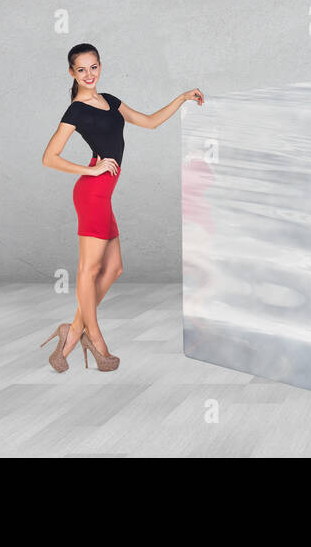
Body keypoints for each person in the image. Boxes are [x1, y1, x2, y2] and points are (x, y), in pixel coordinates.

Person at [40, 42, 203, 372]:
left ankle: (71, 332)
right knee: (88, 270)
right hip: (91, 193)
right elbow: (49, 158)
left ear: (101, 67)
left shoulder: (110, 102)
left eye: (94, 67)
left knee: (113, 268)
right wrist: (91, 169)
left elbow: (150, 121)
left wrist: (182, 97)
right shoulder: (76, 111)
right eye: (81, 69)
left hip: (104, 196)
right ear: (72, 73)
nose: (89, 74)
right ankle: (96, 340)